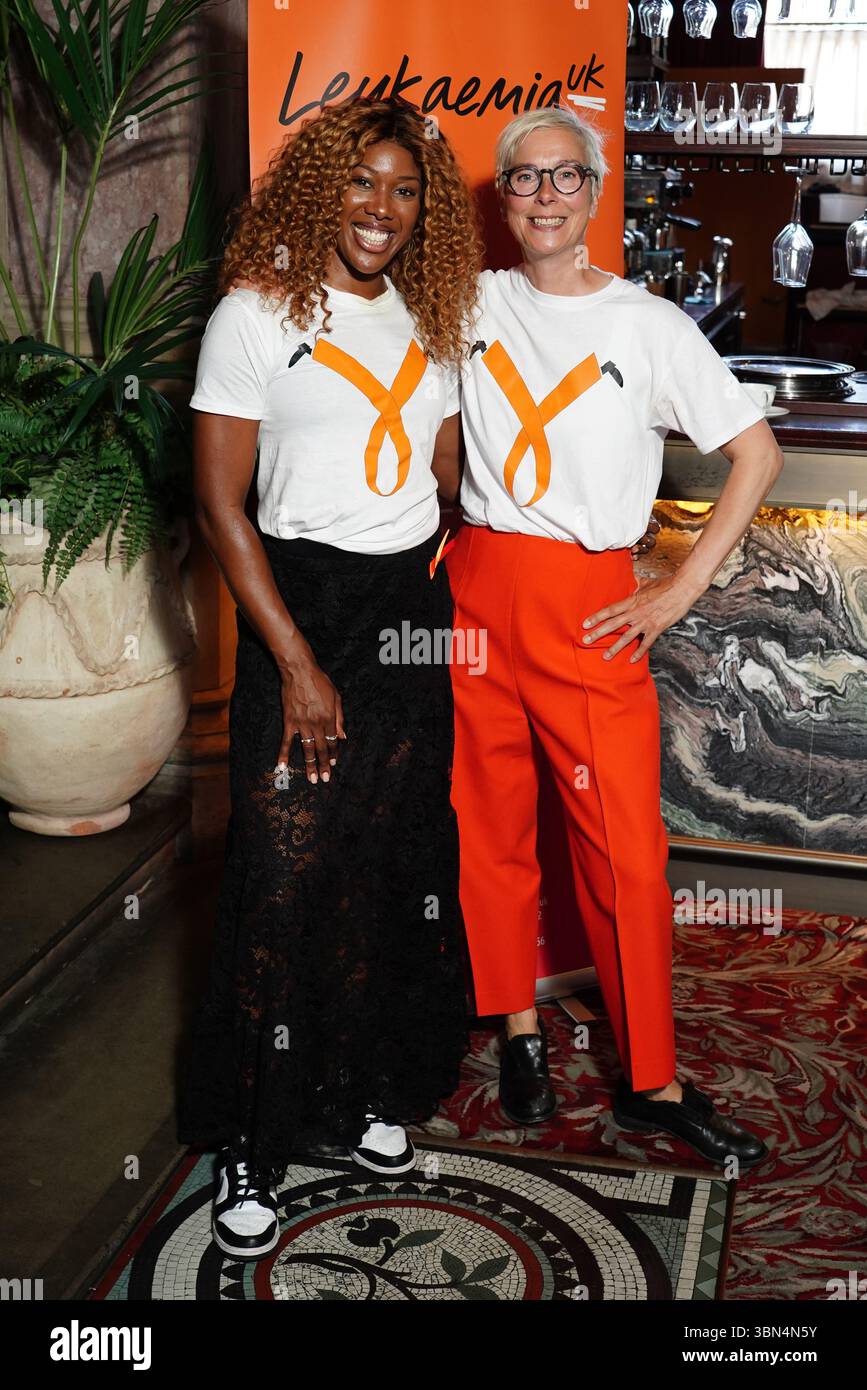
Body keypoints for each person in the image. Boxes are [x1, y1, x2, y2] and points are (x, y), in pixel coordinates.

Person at [442, 106, 784, 1169]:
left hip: (590, 609)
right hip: (478, 591)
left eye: (563, 178)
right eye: (522, 181)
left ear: (597, 192)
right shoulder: (468, 300)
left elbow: (756, 454)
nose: (543, 197)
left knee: (628, 857)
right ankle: (521, 1032)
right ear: (504, 202)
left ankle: (651, 1079)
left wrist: (677, 588)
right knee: (487, 830)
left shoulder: (651, 326)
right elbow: (439, 423)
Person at [176, 97, 482, 1260]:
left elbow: (446, 468)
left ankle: (360, 1090)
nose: (382, 210)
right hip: (298, 612)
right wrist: (297, 662)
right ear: (321, 187)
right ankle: (253, 1139)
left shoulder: (431, 313)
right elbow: (218, 503)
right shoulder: (254, 314)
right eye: (361, 183)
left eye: (404, 191)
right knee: (281, 868)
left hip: (408, 614)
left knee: (386, 857)